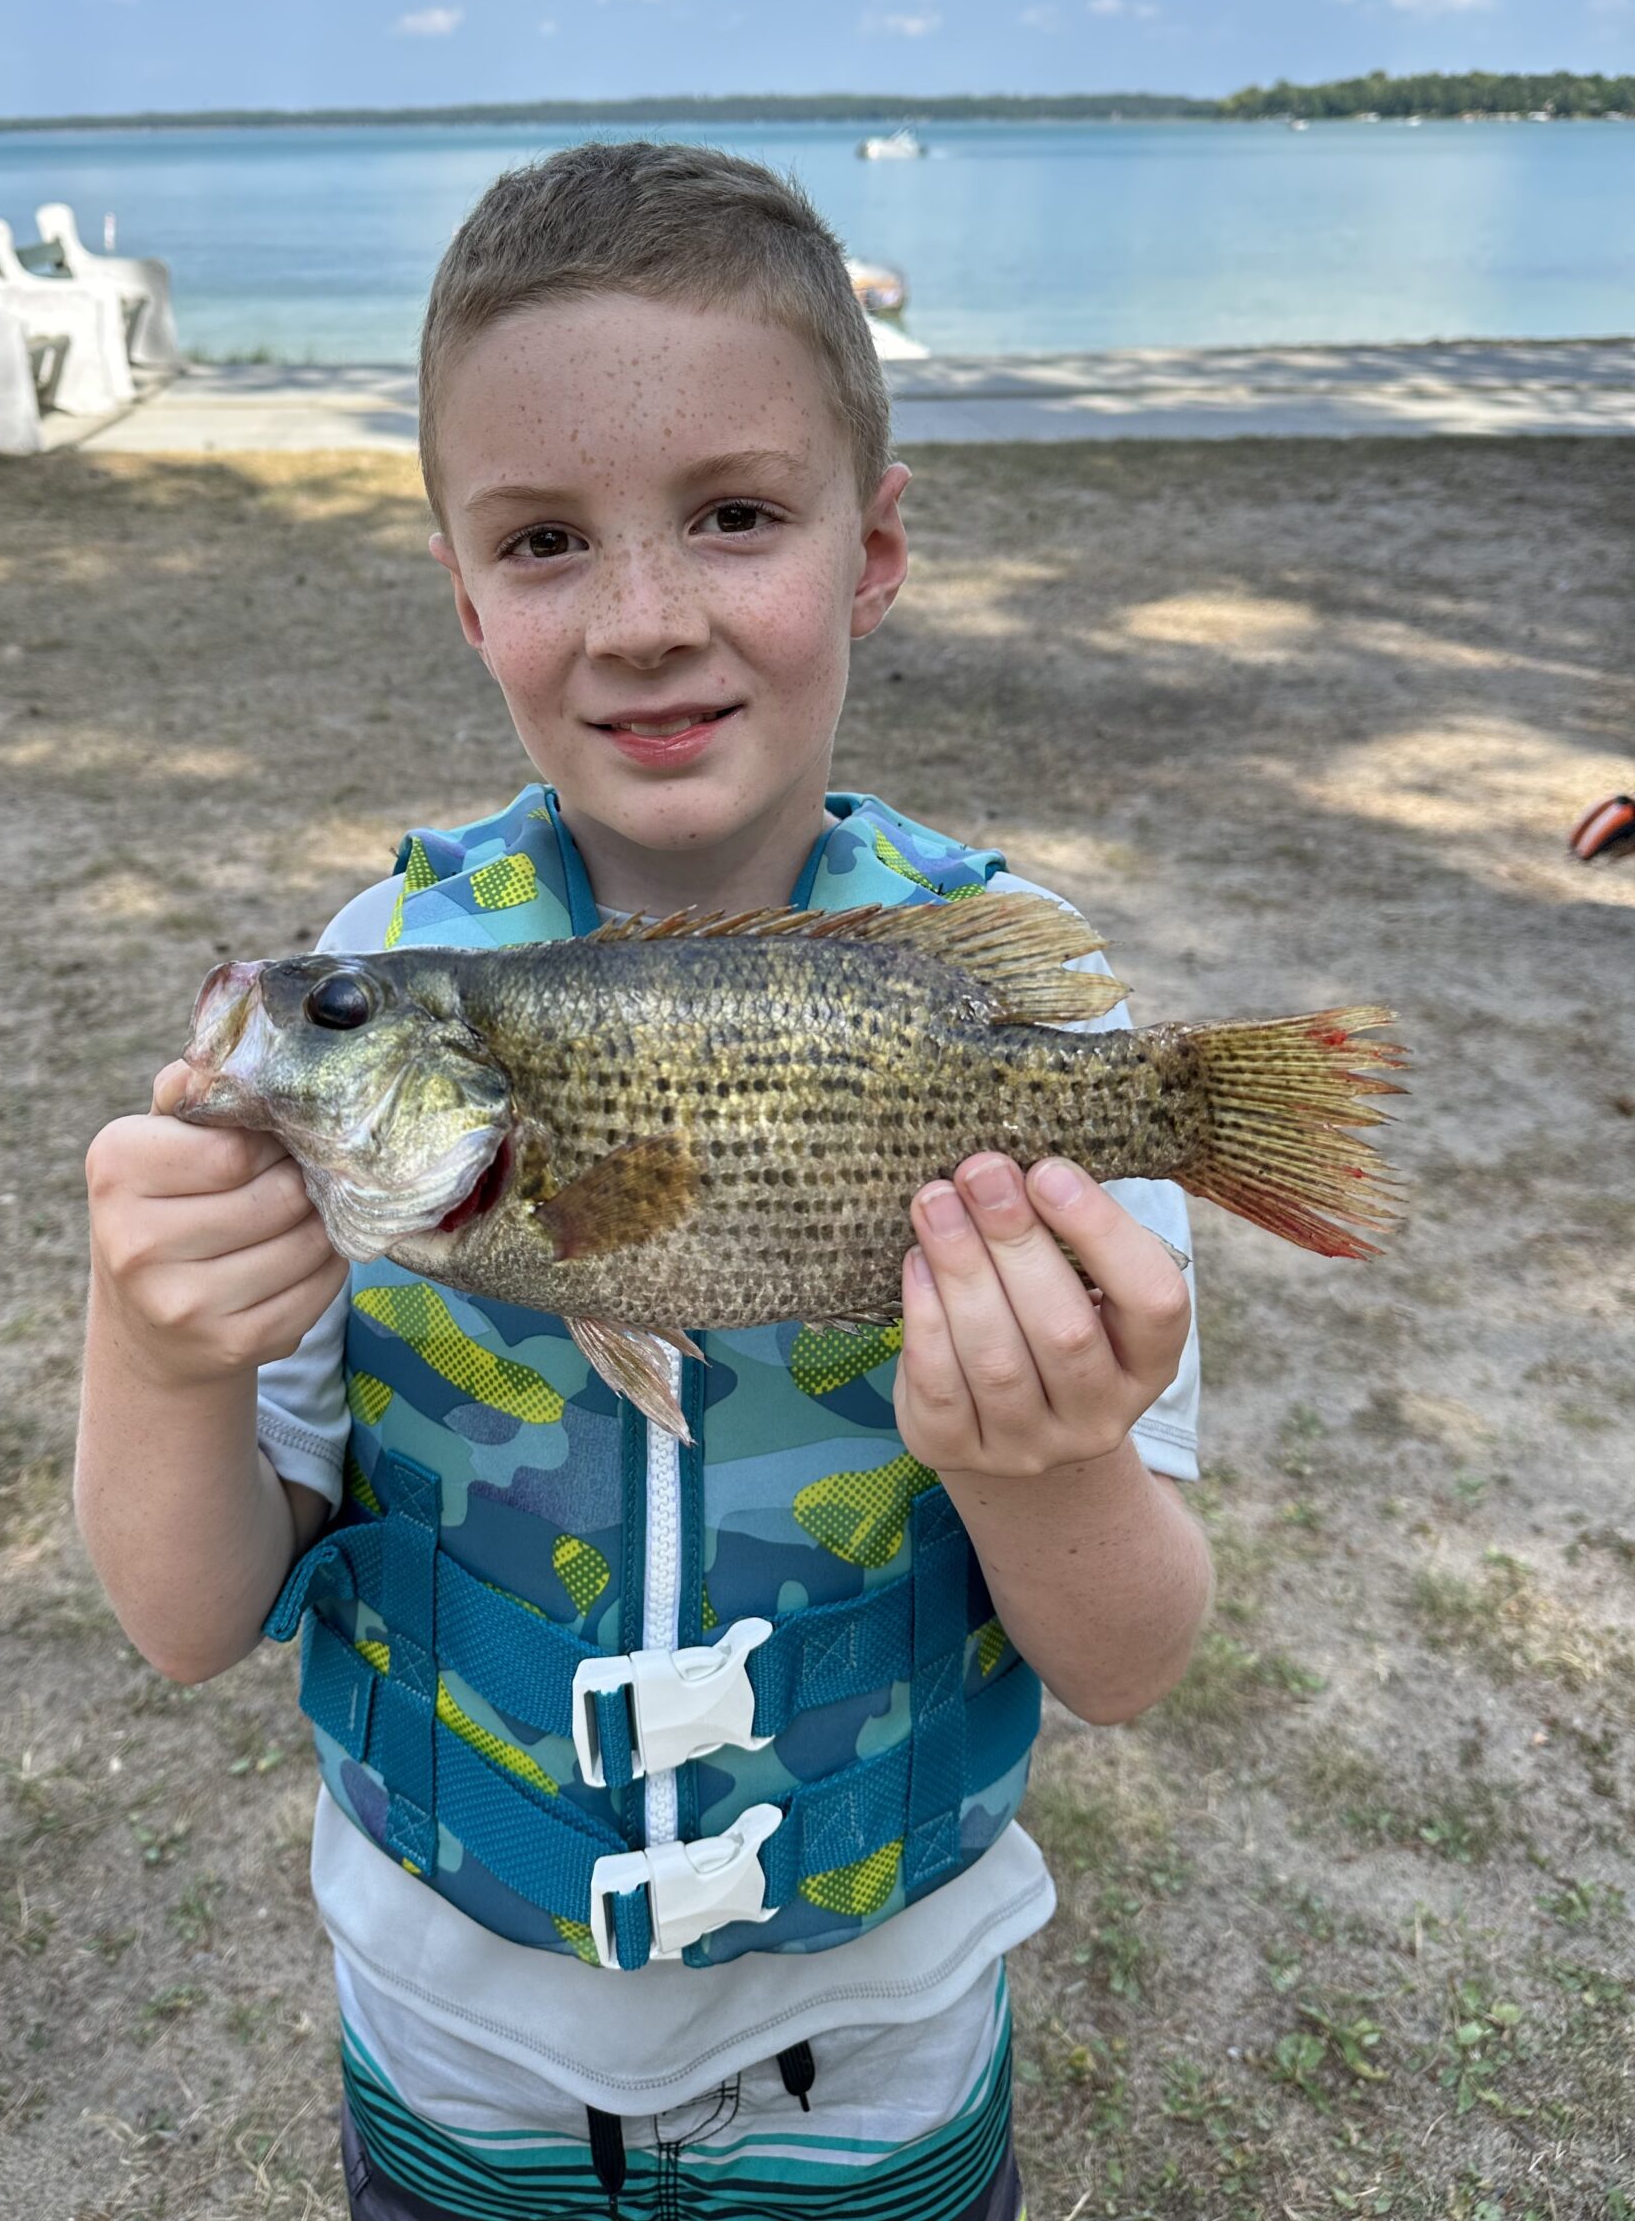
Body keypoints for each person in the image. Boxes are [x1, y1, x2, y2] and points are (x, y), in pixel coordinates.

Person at [77, 141, 1212, 2220]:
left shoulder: (1022, 1033)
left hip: (877, 2072)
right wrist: (153, 1357)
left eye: (734, 514)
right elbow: (182, 1617)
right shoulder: (389, 973)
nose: (646, 616)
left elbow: (1134, 1656)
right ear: (461, 585)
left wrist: (1048, 1464)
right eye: (542, 539)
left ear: (873, 550)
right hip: (450, 2069)